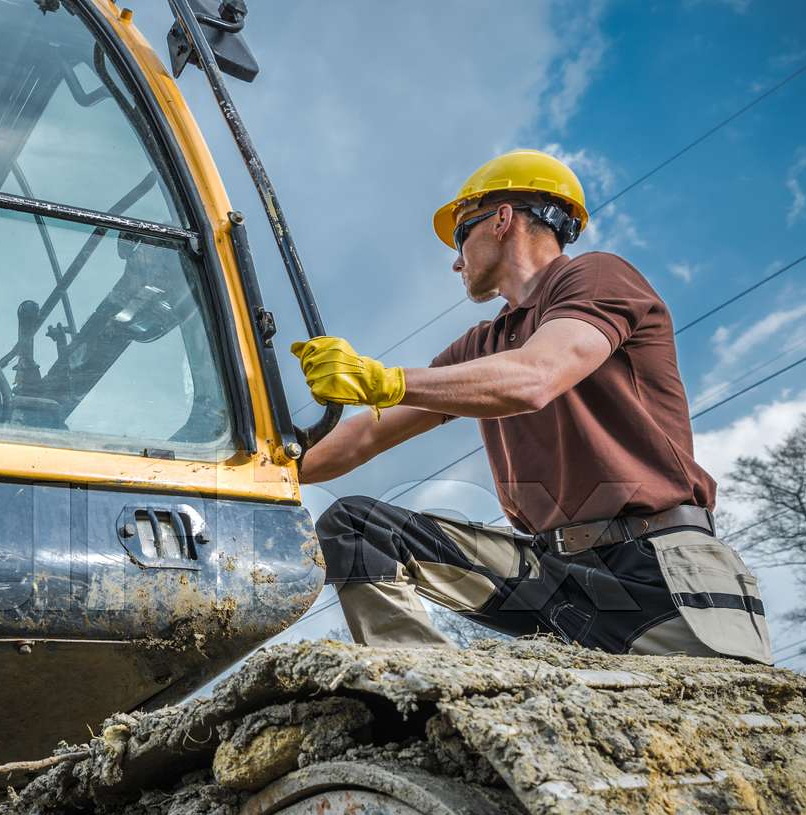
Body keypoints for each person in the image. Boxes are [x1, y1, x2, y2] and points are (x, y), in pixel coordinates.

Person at [292, 149, 772, 662]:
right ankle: (425, 688)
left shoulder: (597, 277)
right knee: (358, 528)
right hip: (557, 578)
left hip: (658, 573)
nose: (456, 260)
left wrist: (385, 380)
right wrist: (249, 467)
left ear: (501, 219)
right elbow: (366, 435)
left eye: (461, 237)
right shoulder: (482, 343)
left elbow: (535, 377)